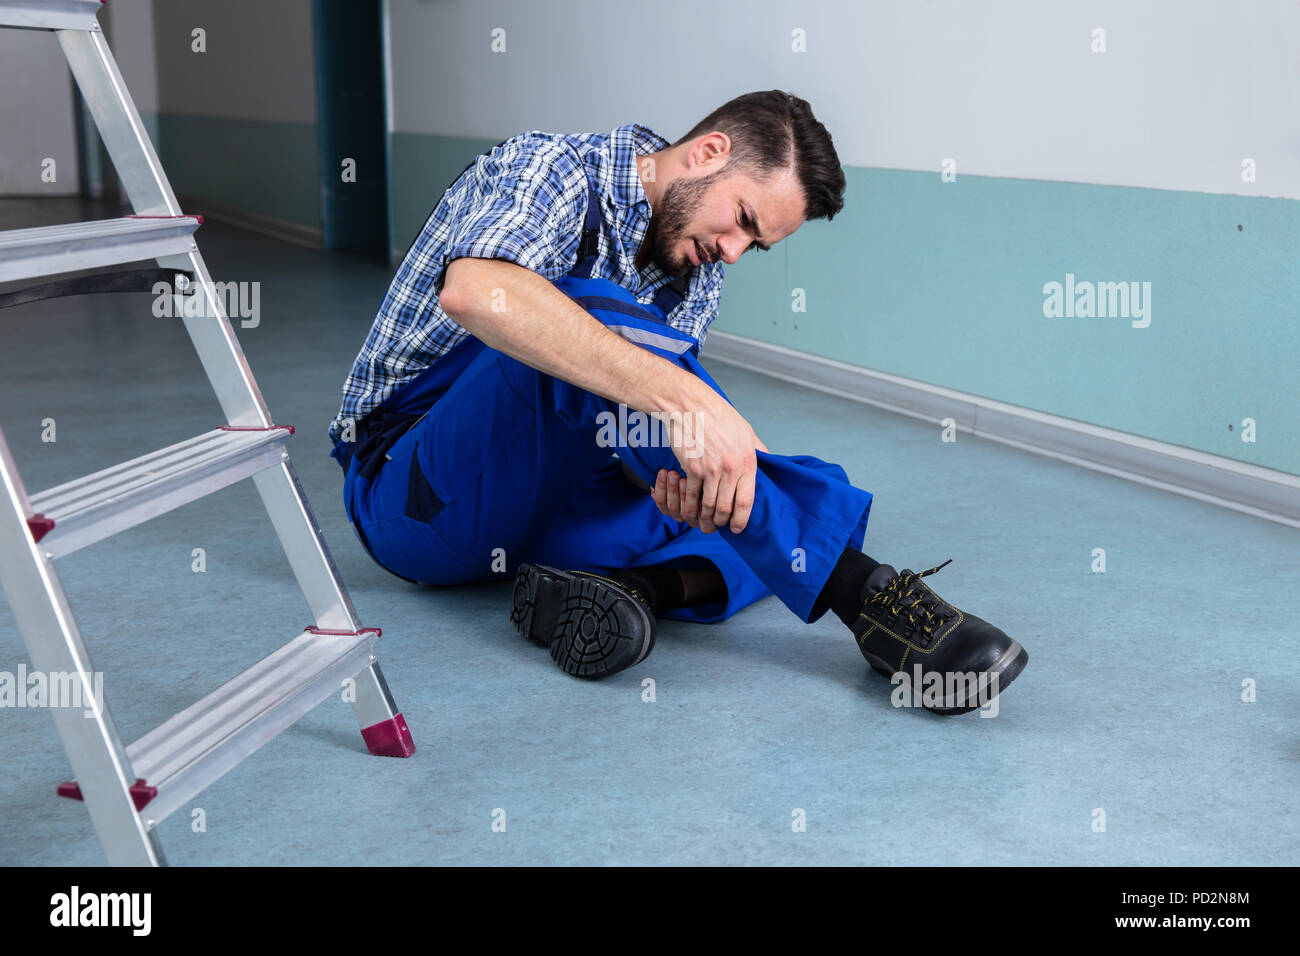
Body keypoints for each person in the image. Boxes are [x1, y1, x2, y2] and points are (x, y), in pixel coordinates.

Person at [328, 90, 1027, 715]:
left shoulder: (694, 273)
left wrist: (685, 484)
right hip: (412, 488)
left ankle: (638, 595)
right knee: (588, 314)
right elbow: (478, 292)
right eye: (743, 219)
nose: (731, 251)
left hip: (534, 514)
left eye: (754, 245)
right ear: (708, 151)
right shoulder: (551, 169)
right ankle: (860, 592)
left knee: (782, 488)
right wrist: (685, 395)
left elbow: (649, 432)